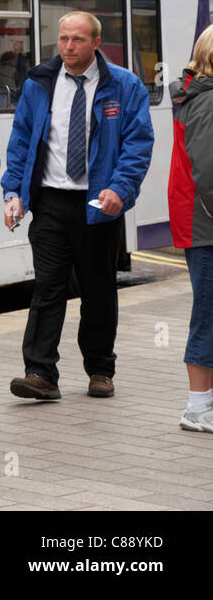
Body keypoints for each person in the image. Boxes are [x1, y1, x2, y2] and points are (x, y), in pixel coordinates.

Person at [2, 12, 154, 401]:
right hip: (51, 201)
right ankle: (40, 373)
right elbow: (21, 140)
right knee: (48, 288)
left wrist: (120, 190)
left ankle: (101, 370)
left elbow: (138, 144)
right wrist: (13, 193)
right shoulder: (40, 82)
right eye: (64, 39)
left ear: (96, 43)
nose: (68, 47)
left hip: (98, 203)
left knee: (98, 289)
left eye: (78, 40)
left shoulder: (124, 85)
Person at [167, 25, 213, 433]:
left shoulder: (197, 95)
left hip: (200, 219)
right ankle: (197, 407)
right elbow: (209, 170)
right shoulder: (209, 100)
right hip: (208, 224)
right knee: (208, 313)